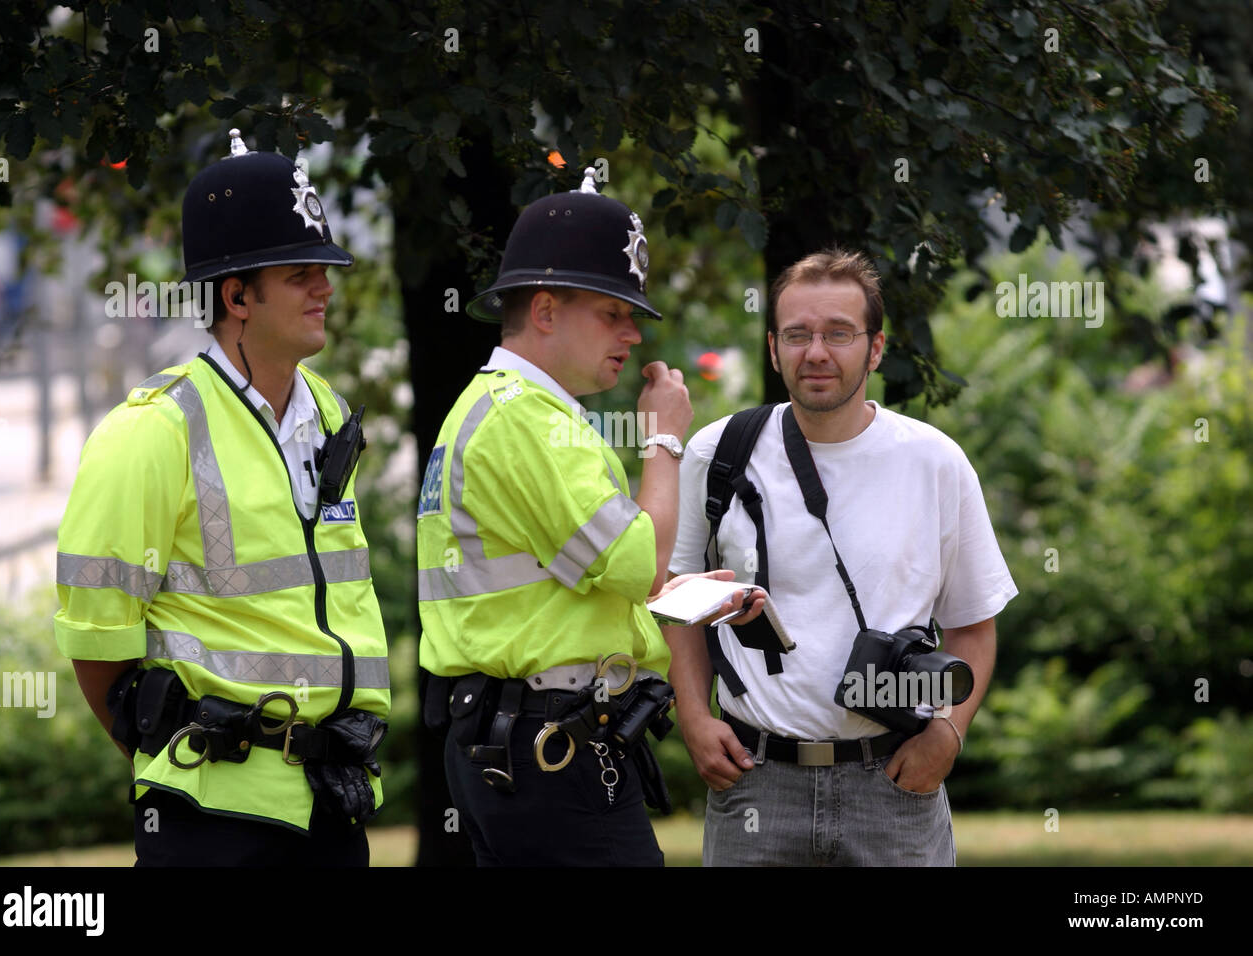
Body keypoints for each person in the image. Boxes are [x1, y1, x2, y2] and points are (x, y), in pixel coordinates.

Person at [54, 128, 391, 866]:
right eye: (302, 272)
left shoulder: (331, 415)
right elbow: (96, 647)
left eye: (324, 269)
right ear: (237, 295)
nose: (325, 288)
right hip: (211, 819)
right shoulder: (151, 432)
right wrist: (182, 758)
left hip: (333, 803)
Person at [416, 169, 755, 866]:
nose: (632, 334)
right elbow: (638, 562)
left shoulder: (507, 410)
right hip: (548, 749)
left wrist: (673, 593)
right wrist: (663, 438)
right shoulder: (527, 420)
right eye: (613, 313)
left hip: (522, 740)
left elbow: (592, 577)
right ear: (544, 311)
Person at [666, 248, 1018, 866]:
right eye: (798, 335)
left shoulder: (934, 462)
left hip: (892, 783)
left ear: (875, 349)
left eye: (838, 334)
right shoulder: (716, 453)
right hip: (755, 780)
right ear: (774, 349)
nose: (817, 352)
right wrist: (694, 716)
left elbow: (973, 625)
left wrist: (948, 734)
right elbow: (677, 602)